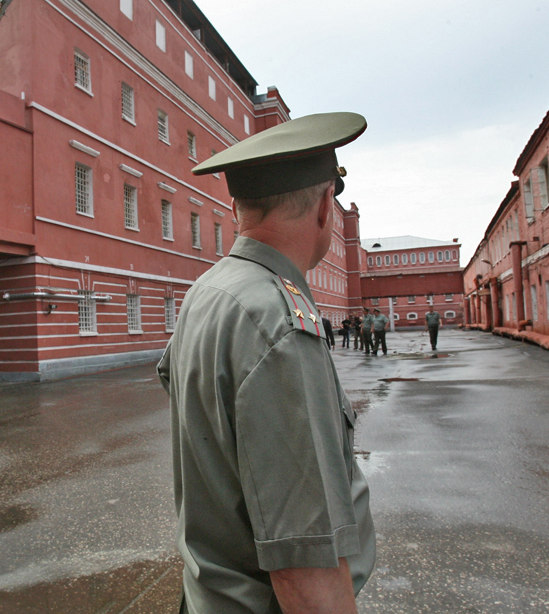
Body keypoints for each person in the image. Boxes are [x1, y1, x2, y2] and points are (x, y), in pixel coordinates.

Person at [158, 112, 375, 614]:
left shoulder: (206, 292)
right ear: (326, 206)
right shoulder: (278, 320)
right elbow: (306, 566)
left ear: (237, 208)